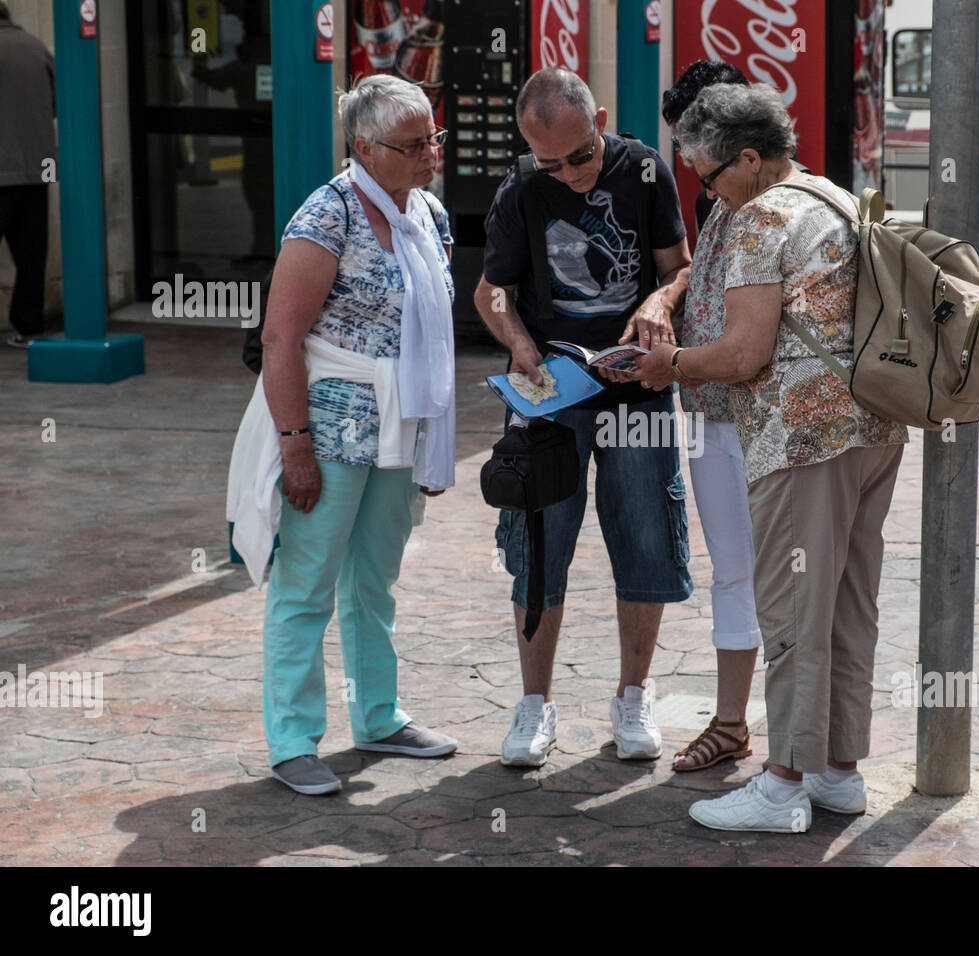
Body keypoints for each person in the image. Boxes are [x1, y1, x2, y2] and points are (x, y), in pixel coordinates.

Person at [633, 83, 909, 832]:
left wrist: (670, 366)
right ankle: (839, 772)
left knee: (791, 613)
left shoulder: (761, 216)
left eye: (709, 174)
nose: (705, 189)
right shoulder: (834, 196)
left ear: (749, 159)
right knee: (849, 606)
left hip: (802, 437)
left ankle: (783, 784)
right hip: (875, 428)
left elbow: (745, 353)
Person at [228, 74, 459, 795]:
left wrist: (431, 436)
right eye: (416, 144)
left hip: (400, 421)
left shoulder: (427, 213)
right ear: (364, 147)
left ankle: (379, 716)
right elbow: (281, 338)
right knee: (305, 585)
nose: (432, 154)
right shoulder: (326, 218)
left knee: (375, 580)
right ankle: (293, 740)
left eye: (434, 138)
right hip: (331, 423)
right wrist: (295, 445)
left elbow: (434, 332)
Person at [474, 67, 693, 767]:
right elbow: (492, 293)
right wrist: (518, 345)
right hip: (552, 398)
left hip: (638, 390)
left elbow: (679, 268)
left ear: (599, 119)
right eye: (550, 163)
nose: (568, 175)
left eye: (580, 155)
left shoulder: (648, 172)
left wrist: (660, 304)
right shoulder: (520, 187)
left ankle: (634, 694)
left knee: (646, 539)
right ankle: (535, 705)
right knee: (539, 545)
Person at [657, 60, 761, 773]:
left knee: (789, 577)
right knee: (732, 570)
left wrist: (669, 366)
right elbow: (705, 269)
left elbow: (748, 348)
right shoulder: (719, 197)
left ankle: (801, 745)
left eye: (697, 152)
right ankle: (732, 723)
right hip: (707, 413)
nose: (689, 167)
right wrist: (663, 299)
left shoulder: (780, 202)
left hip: (762, 419)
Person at [0, 1, 56, 348]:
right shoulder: (36, 47)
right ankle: (29, 326)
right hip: (38, 169)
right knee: (31, 254)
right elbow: (56, 102)